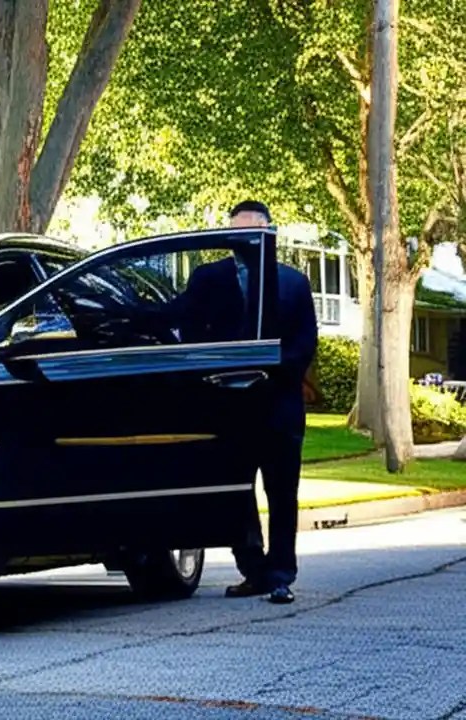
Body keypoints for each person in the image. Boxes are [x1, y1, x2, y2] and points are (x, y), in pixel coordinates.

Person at [215, 200, 318, 604]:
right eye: (236, 234)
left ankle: (280, 574)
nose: (243, 242)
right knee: (237, 494)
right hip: (230, 408)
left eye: (251, 233)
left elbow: (305, 342)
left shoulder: (293, 283)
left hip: (279, 407)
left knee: (281, 494)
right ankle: (252, 569)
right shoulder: (213, 279)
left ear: (268, 234)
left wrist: (268, 372)